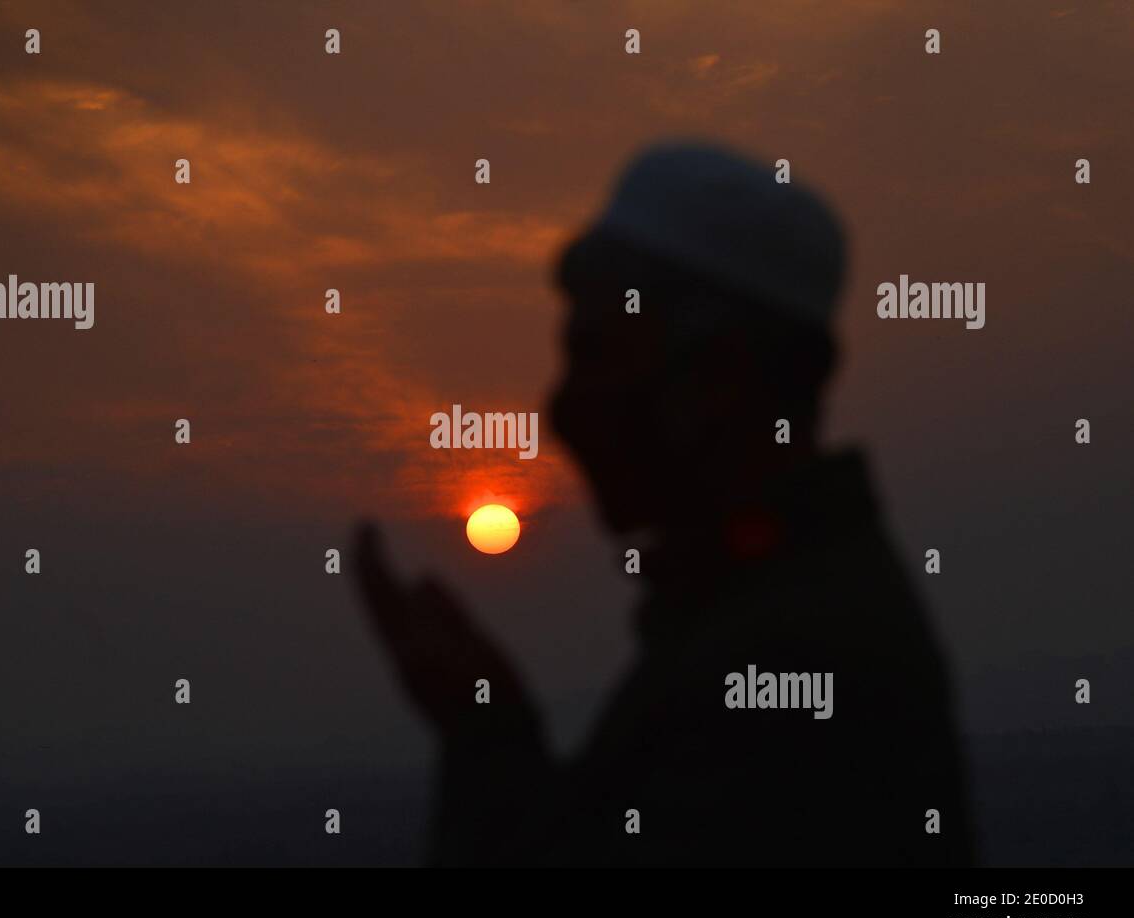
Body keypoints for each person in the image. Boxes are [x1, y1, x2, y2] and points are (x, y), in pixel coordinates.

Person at [354, 143, 975, 866]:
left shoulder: (787, 665)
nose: (561, 408)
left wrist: (486, 742)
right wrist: (488, 726)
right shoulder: (762, 612)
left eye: (592, 354)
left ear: (717, 379)